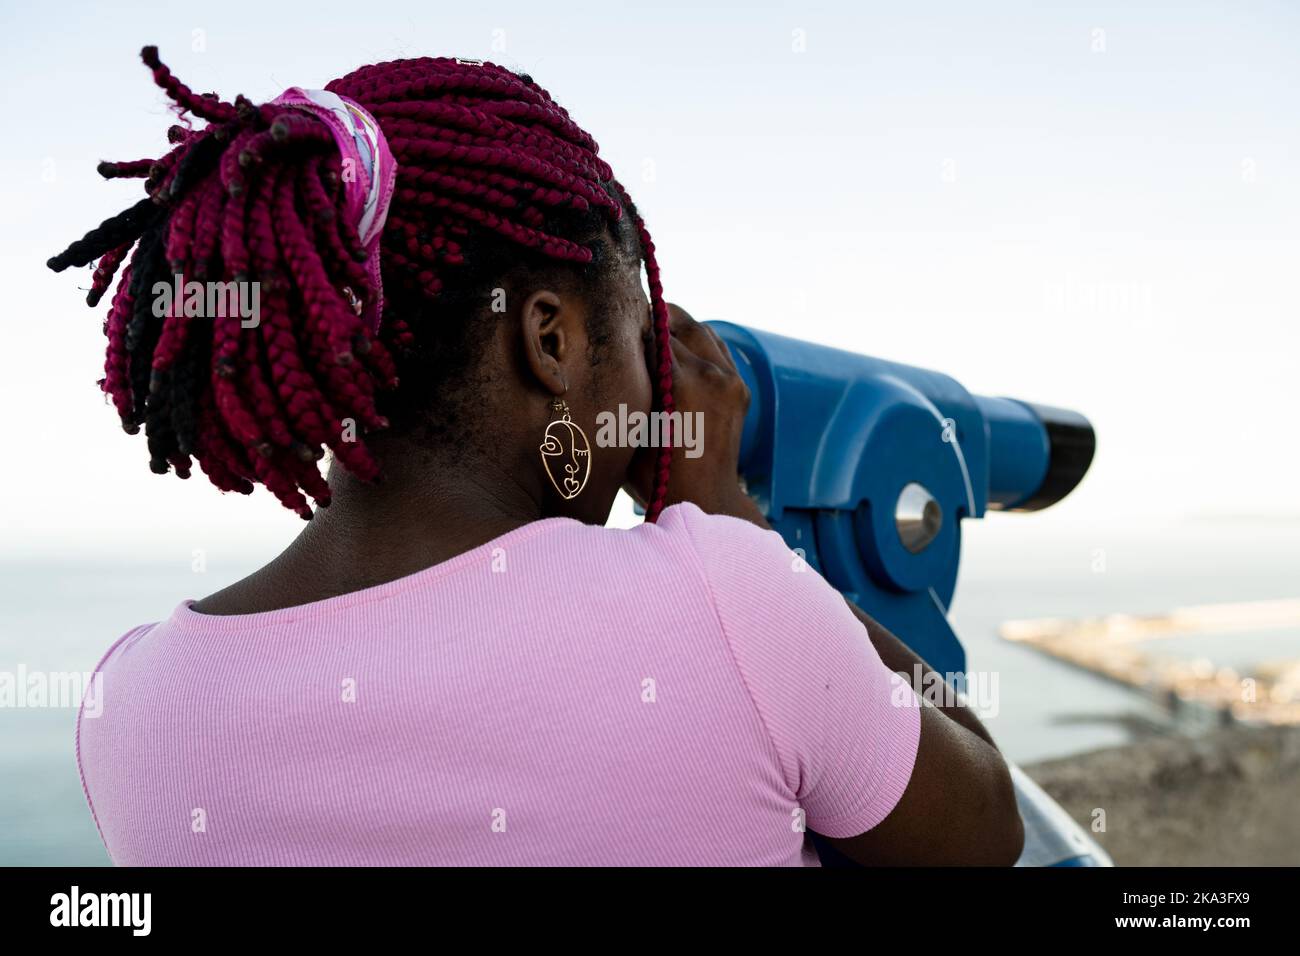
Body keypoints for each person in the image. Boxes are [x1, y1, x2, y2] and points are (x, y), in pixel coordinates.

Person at [51, 48, 1023, 866]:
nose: (654, 393)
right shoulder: (722, 595)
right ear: (549, 341)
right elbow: (984, 825)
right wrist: (726, 511)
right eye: (641, 337)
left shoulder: (133, 703)